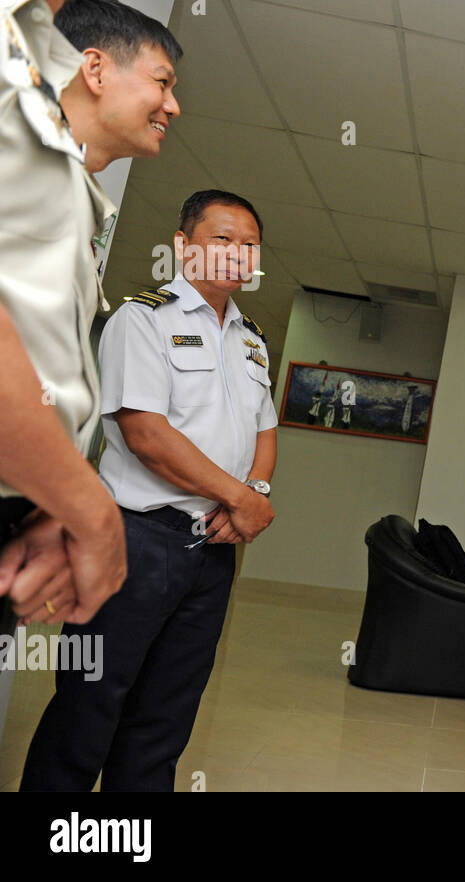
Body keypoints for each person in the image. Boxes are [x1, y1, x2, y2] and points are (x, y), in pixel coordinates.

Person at [21, 190, 276, 791]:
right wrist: (240, 499)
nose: (237, 254)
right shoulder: (143, 319)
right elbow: (146, 434)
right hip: (134, 541)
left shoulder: (251, 339)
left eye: (249, 245)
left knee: (166, 717)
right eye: (222, 239)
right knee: (89, 708)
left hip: (211, 552)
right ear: (184, 248)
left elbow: (265, 428)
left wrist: (255, 488)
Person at [0, 0, 180, 741]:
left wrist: (47, 504)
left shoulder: (72, 190)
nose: (173, 105)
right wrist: (91, 513)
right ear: (95, 69)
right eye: (162, 81)